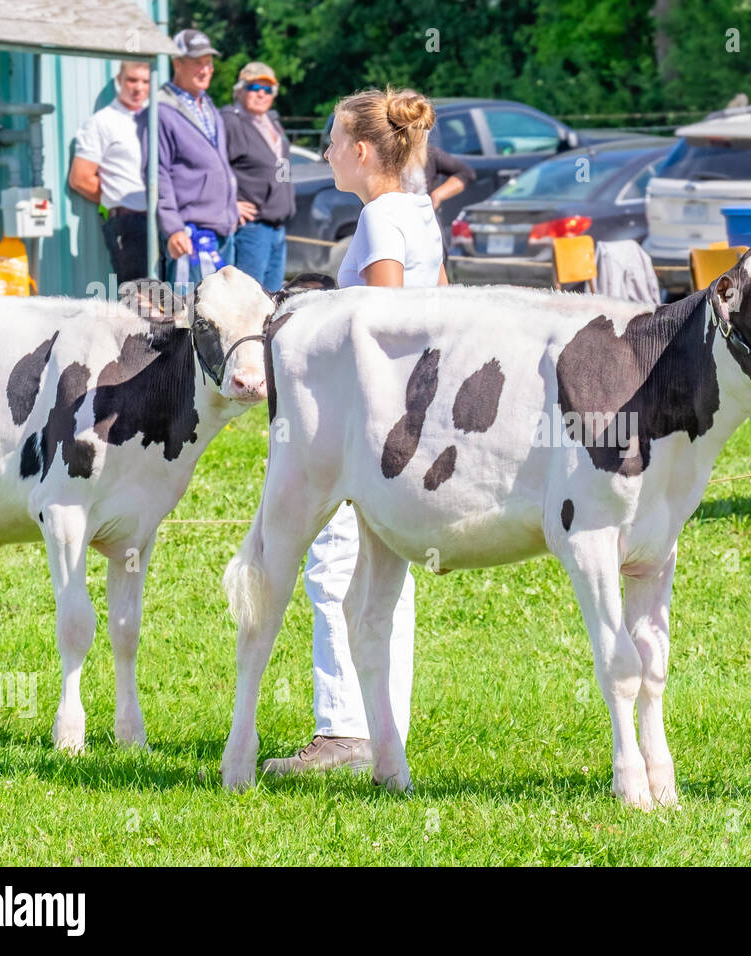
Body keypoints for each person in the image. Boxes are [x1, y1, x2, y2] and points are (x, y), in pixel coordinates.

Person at [262, 87, 446, 777]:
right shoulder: (421, 212)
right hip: (413, 415)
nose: (328, 151)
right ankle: (380, 724)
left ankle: (344, 733)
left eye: (335, 140)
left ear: (363, 151)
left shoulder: (375, 222)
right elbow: (442, 308)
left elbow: (384, 319)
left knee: (336, 569)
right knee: (384, 576)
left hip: (363, 424)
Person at [145, 29, 239, 291]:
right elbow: (157, 173)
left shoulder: (207, 104)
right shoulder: (162, 109)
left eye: (209, 62)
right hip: (191, 234)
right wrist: (173, 228)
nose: (206, 69)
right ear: (177, 63)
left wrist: (231, 207)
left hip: (222, 229)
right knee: (191, 318)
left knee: (223, 316)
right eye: (198, 62)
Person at [68, 61, 151, 288]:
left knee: (174, 300)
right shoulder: (101, 122)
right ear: (119, 80)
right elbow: (80, 178)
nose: (138, 88)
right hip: (128, 224)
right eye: (132, 80)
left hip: (161, 222)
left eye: (146, 81)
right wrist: (119, 201)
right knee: (140, 301)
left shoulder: (157, 120)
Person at [221, 62, 296, 292]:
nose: (262, 93)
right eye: (255, 86)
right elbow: (215, 167)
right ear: (240, 90)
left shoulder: (271, 122)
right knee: (248, 298)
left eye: (268, 89)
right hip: (253, 228)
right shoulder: (231, 121)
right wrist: (229, 203)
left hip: (278, 226)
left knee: (272, 300)